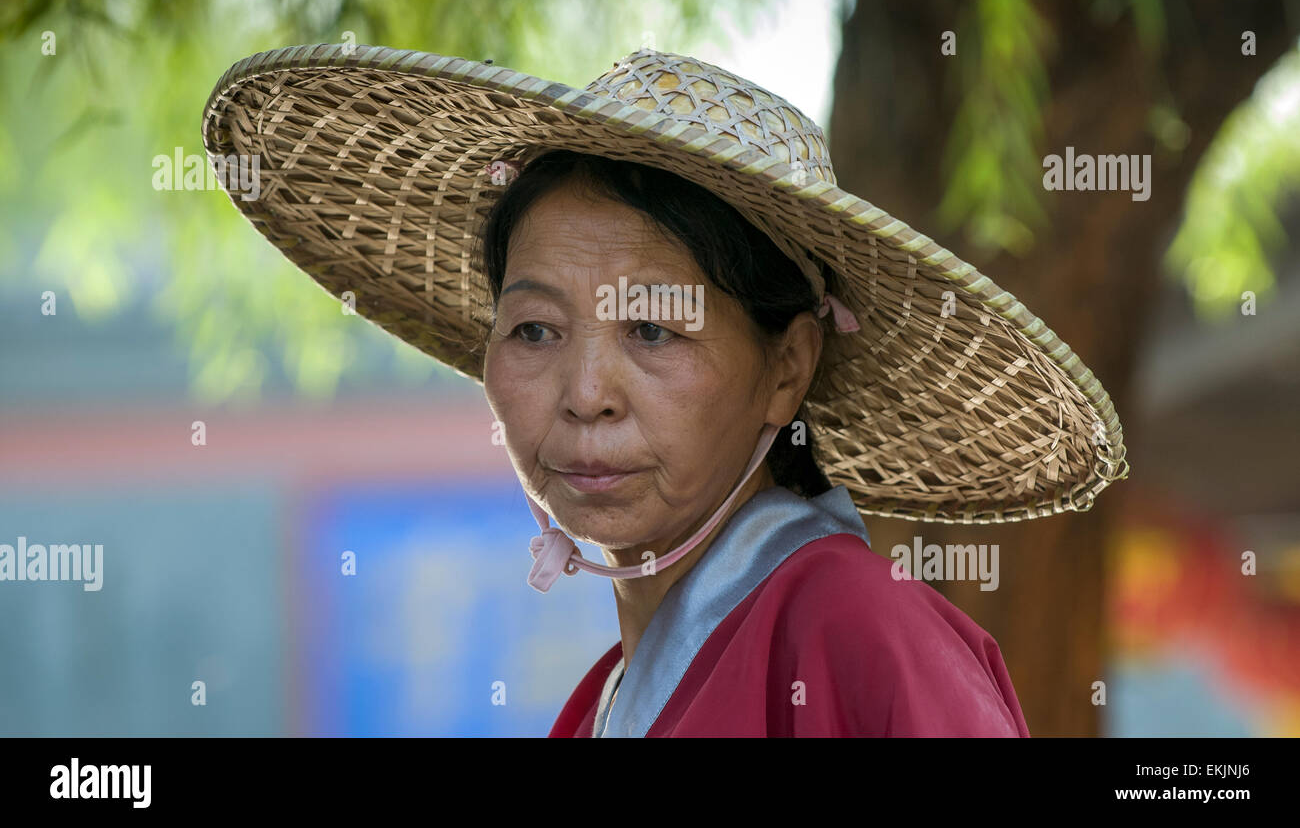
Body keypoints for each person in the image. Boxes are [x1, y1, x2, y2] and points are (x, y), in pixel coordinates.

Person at [201, 44, 1130, 737]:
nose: (586, 393)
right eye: (534, 330)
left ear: (786, 369)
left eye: (652, 329)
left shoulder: (860, 632)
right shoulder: (595, 708)